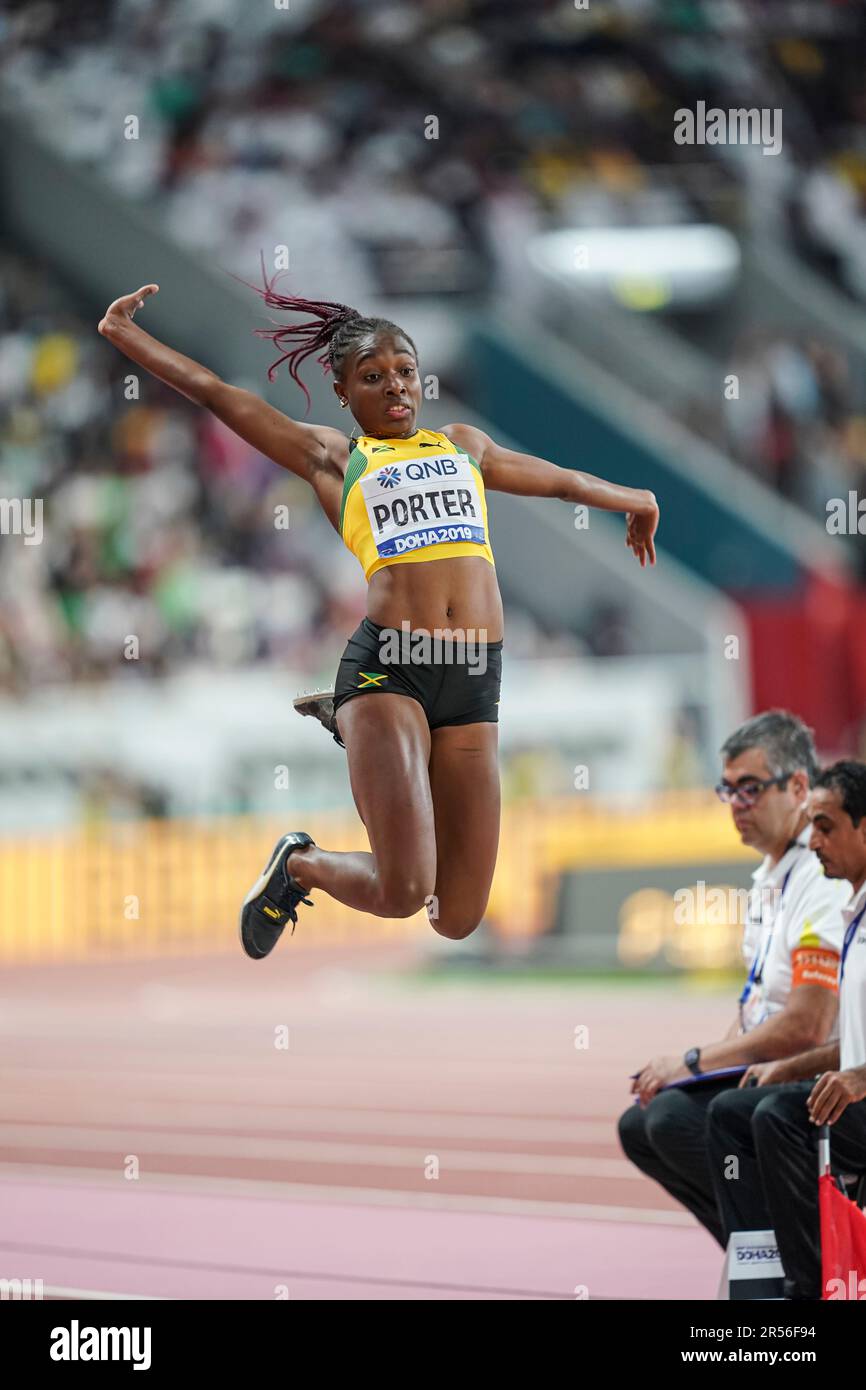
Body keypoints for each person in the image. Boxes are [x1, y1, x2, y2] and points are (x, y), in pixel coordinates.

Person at [97, 278, 659, 960]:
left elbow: (561, 480)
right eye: (374, 376)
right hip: (391, 669)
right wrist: (126, 334)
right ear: (344, 393)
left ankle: (349, 726)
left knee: (456, 916)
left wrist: (635, 498)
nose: (396, 387)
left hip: (476, 680)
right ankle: (300, 863)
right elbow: (220, 394)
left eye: (406, 372)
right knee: (401, 889)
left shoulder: (463, 446)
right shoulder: (337, 457)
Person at [618, 710, 848, 1246]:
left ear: (797, 787)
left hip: (816, 1073)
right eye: (728, 791)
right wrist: (696, 1068)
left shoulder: (821, 875)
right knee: (642, 1125)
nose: (738, 806)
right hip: (773, 1069)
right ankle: (761, 1248)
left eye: (751, 789)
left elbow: (808, 1026)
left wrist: (695, 1062)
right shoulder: (772, 875)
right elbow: (758, 1010)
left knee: (676, 1119)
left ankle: (789, 1250)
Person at [706, 760, 866, 1300]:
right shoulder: (853, 915)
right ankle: (760, 1284)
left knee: (781, 1117)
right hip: (854, 1090)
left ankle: (814, 1289)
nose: (813, 840)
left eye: (826, 826)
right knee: (731, 1109)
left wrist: (858, 1078)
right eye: (811, 826)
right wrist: (786, 1067)